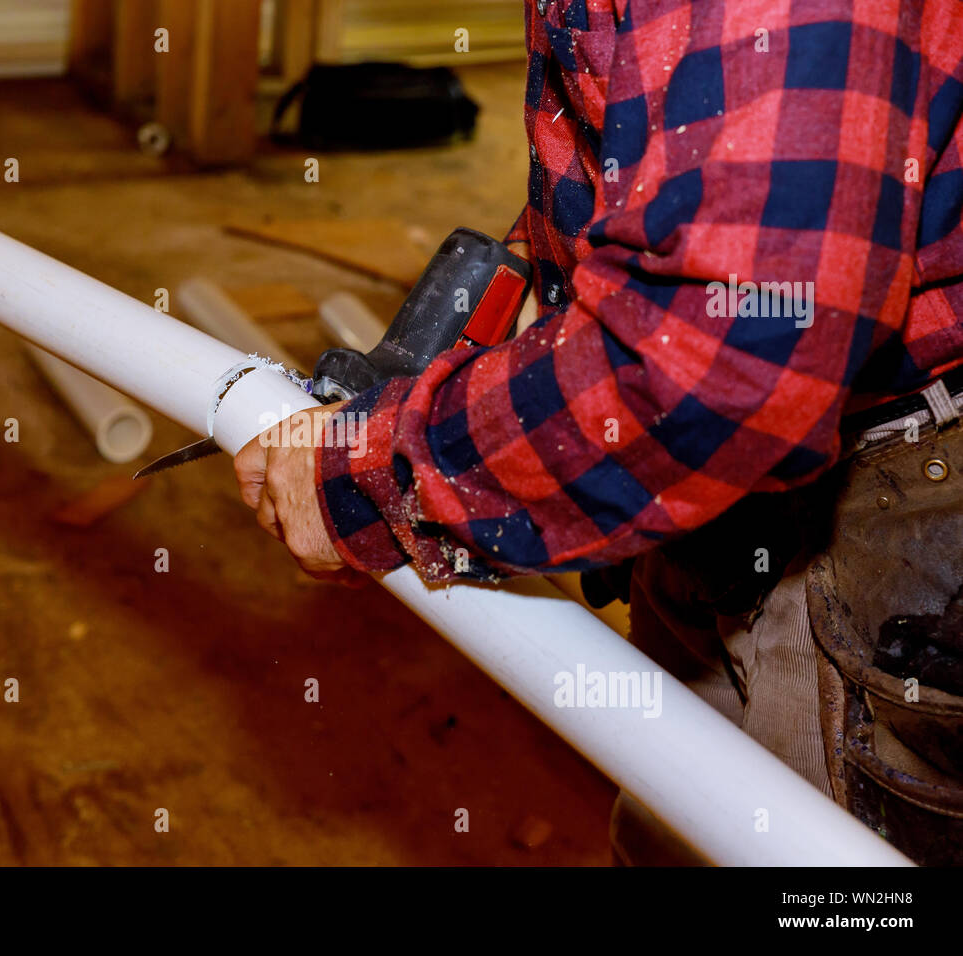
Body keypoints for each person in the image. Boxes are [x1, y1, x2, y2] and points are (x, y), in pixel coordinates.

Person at [234, 0, 963, 863]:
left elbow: (728, 356)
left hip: (880, 492)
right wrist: (547, 306)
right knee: (676, 823)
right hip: (734, 477)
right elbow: (686, 142)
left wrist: (376, 478)